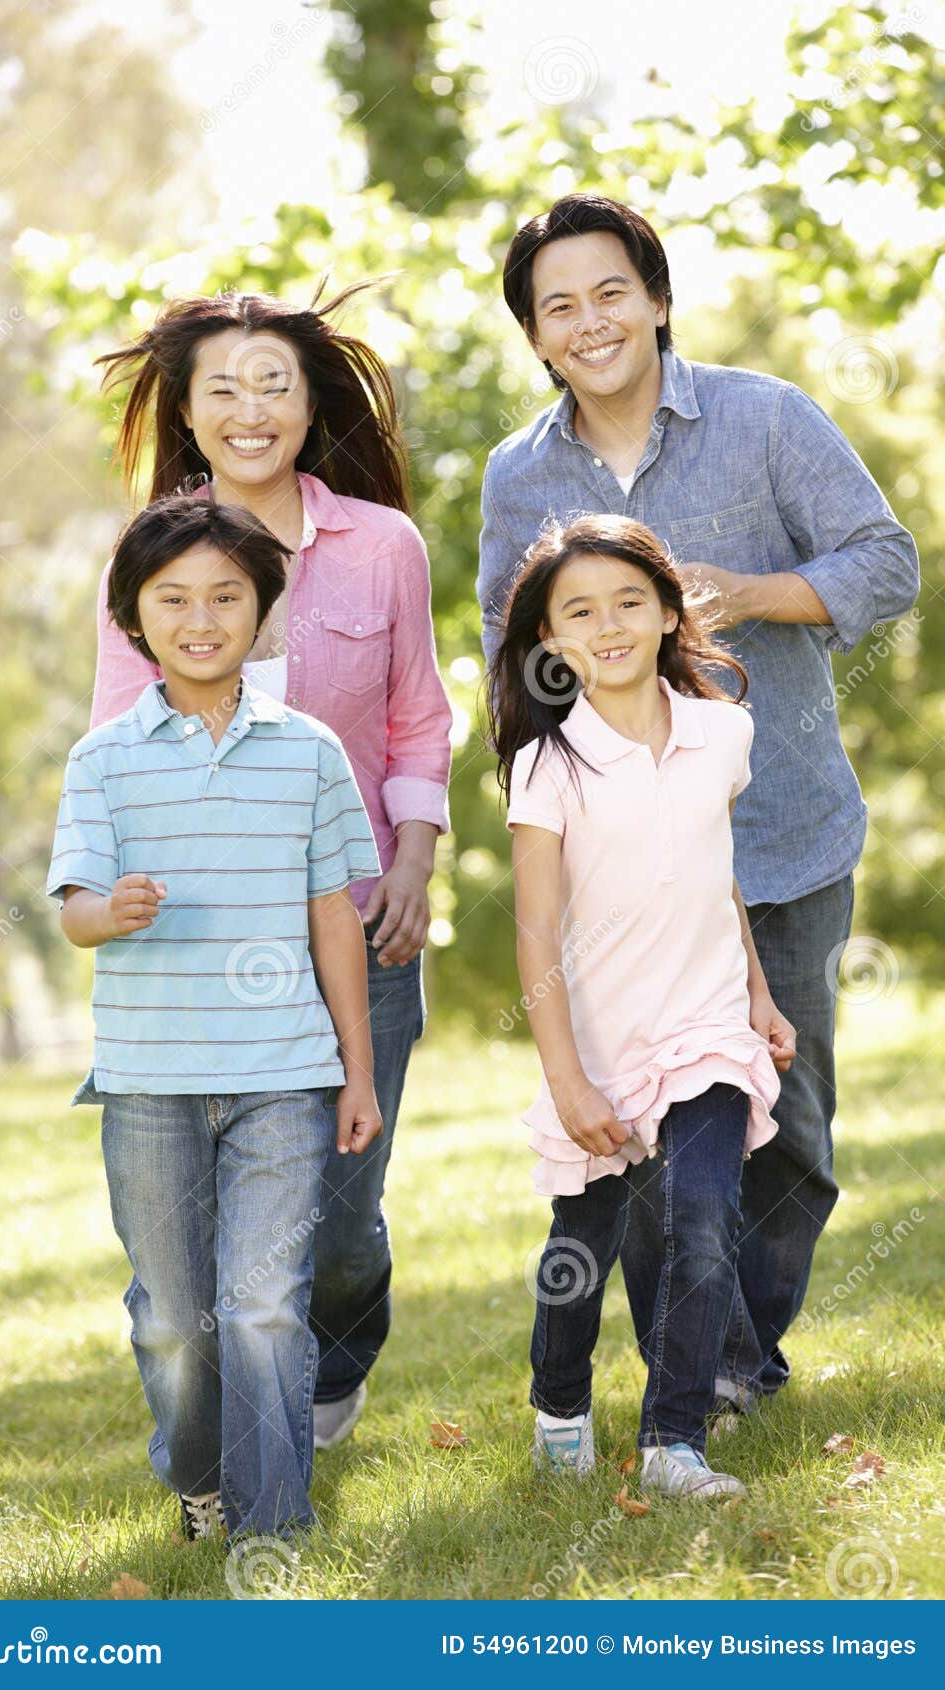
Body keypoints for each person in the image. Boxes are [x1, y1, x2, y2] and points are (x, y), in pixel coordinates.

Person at [477, 193, 919, 1409]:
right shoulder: (519, 473)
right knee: (642, 1141)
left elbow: (886, 565)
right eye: (556, 306)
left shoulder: (765, 418)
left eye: (608, 291)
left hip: (777, 836)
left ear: (656, 298)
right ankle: (706, 1368)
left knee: (784, 1126)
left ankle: (737, 1345)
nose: (588, 321)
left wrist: (753, 591)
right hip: (615, 868)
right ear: (536, 335)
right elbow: (503, 642)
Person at [90, 281, 453, 1448]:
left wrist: (415, 862)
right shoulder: (149, 556)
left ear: (308, 406)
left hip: (359, 925)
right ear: (187, 415)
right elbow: (111, 737)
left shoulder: (381, 544)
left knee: (342, 1219)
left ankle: (335, 1362)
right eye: (223, 390)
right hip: (200, 949)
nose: (251, 409)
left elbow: (416, 716)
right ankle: (220, 1443)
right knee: (197, 1231)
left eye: (274, 386)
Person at [46, 496, 383, 1543]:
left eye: (227, 596)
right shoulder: (101, 759)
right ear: (134, 618)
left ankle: (273, 1523)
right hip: (148, 1080)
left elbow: (335, 917)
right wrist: (114, 911)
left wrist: (357, 1074)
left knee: (264, 1303)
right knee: (171, 1319)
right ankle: (200, 1476)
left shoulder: (311, 752)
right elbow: (72, 915)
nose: (202, 618)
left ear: (263, 612)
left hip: (283, 1071)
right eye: (173, 598)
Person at [491, 512, 795, 1495]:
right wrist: (566, 1076)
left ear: (668, 610)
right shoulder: (548, 764)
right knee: (580, 1250)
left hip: (704, 1030)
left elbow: (717, 878)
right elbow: (534, 931)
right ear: (548, 641)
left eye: (628, 600)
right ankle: (558, 1405)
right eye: (577, 610)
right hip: (598, 1044)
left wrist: (757, 997)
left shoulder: (722, 732)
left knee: (702, 1212)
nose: (608, 623)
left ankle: (673, 1441)